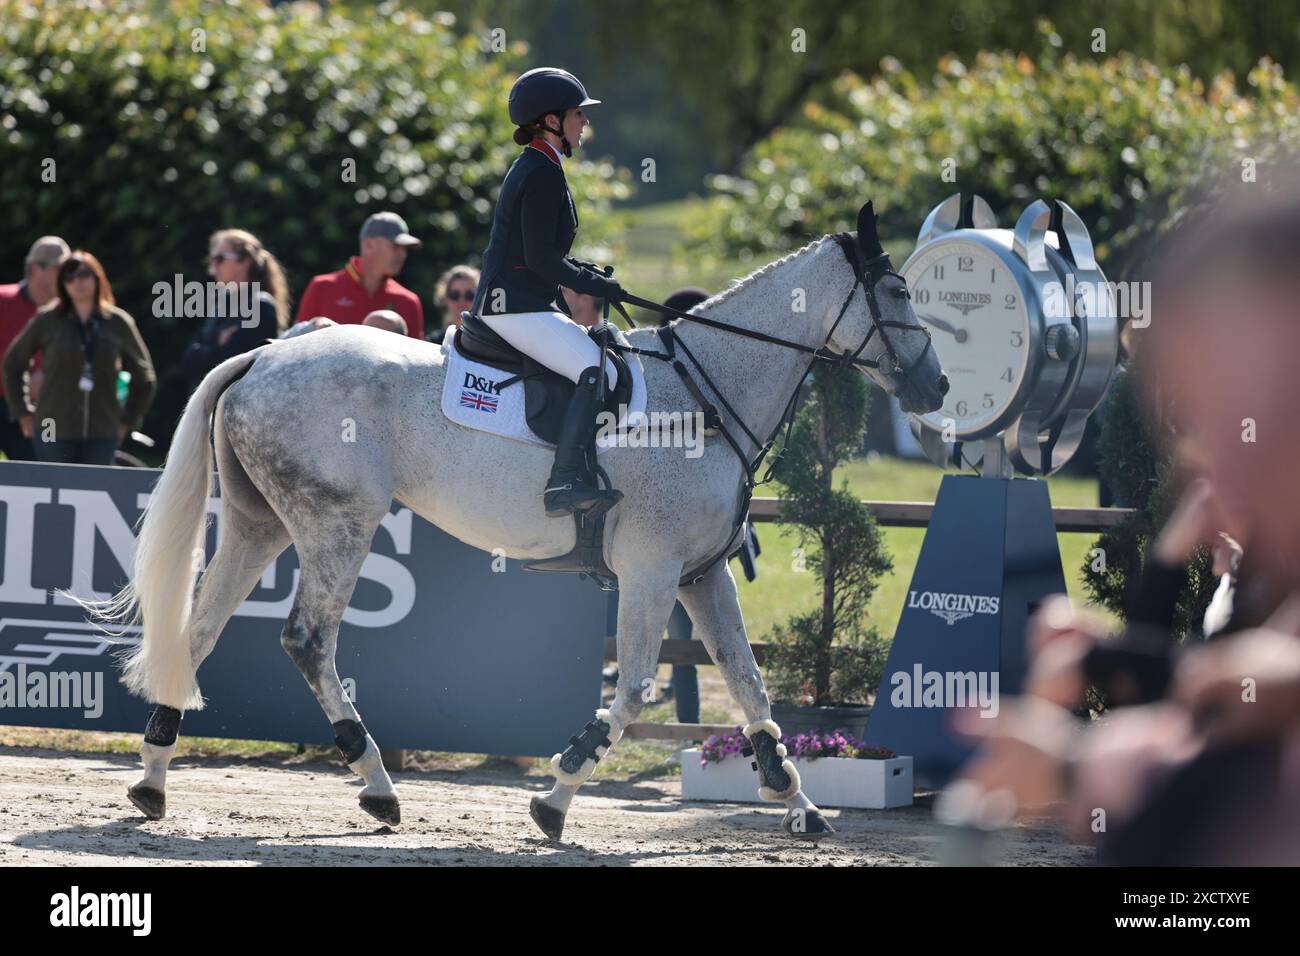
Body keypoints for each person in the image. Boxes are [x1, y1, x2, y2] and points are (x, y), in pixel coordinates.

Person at [465, 67, 625, 517]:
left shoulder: (543, 165)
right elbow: (539, 260)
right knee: (598, 371)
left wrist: (587, 274)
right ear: (550, 119)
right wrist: (594, 283)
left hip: (523, 301)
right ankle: (564, 481)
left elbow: (540, 256)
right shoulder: (540, 173)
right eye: (578, 113)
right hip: (512, 307)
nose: (584, 122)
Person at [2, 251, 156, 465]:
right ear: (62, 284)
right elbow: (12, 363)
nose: (77, 282)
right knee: (54, 483)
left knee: (94, 487)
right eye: (69, 277)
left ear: (97, 277)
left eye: (84, 275)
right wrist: (22, 412)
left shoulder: (118, 322)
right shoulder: (48, 319)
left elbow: (145, 376)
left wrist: (127, 420)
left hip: (102, 429)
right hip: (51, 425)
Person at [182, 229, 289, 394]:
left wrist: (211, 348)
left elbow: (234, 363)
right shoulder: (220, 305)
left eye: (219, 259)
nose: (213, 266)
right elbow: (189, 360)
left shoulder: (260, 304)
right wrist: (219, 342)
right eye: (212, 259)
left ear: (244, 261)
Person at [293, 212, 425, 339]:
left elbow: (415, 359)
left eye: (405, 249)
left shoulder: (408, 301)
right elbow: (296, 344)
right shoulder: (322, 287)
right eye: (396, 246)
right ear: (368, 245)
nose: (403, 255)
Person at [0, 236, 69, 460]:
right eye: (60, 268)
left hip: (42, 413)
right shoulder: (3, 300)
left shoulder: (72, 313)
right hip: (3, 401)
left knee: (41, 469)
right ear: (35, 268)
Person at [430, 265, 479, 344]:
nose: (461, 301)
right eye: (454, 295)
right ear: (445, 298)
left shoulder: (489, 343)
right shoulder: (432, 343)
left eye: (469, 295)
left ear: (479, 298)